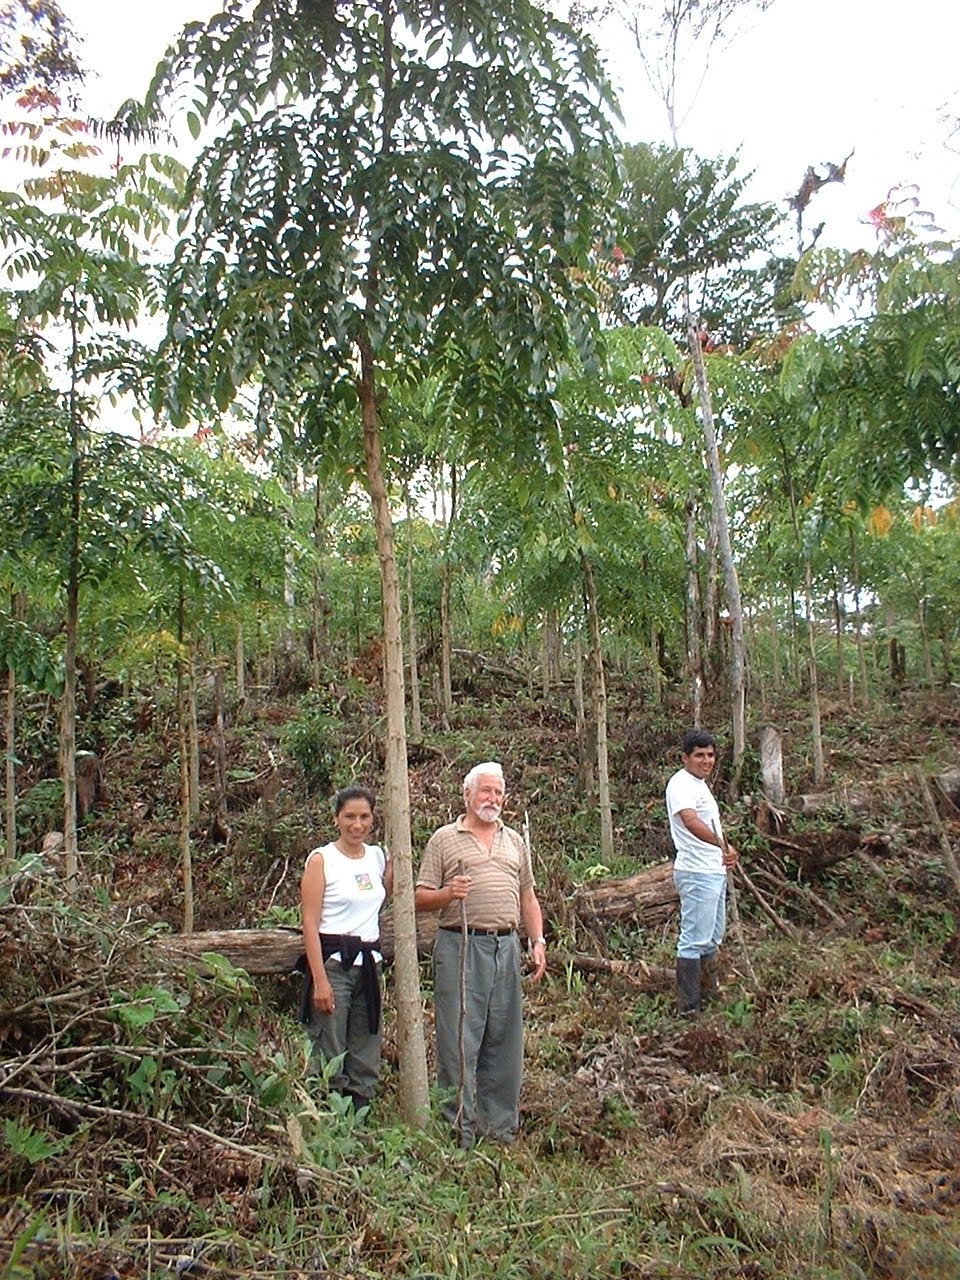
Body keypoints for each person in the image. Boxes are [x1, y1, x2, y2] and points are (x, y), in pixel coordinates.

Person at [415, 762, 547, 1146]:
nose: (493, 799)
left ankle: (499, 1127)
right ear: (468, 795)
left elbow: (528, 896)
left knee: (504, 1038)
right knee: (460, 1037)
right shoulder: (444, 839)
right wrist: (448, 893)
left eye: (498, 793)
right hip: (461, 944)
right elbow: (421, 897)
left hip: (505, 946)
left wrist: (536, 941)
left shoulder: (514, 842)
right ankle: (460, 1129)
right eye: (486, 791)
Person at [299, 784, 392, 1110]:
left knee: (365, 1041)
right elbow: (309, 922)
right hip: (334, 964)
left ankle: (361, 1114)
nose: (357, 825)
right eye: (350, 816)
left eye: (364, 817)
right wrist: (320, 980)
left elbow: (384, 899)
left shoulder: (378, 857)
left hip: (369, 963)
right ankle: (328, 1116)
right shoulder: (323, 860)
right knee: (330, 1043)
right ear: (337, 818)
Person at [665, 731, 739, 1015]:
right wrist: (721, 844)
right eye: (699, 755)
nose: (706, 760)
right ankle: (688, 1007)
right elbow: (690, 820)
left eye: (710, 755)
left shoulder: (700, 785)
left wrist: (726, 850)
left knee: (712, 936)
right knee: (694, 938)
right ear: (685, 758)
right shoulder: (681, 784)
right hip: (696, 871)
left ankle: (709, 993)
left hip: (713, 870)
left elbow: (707, 823)